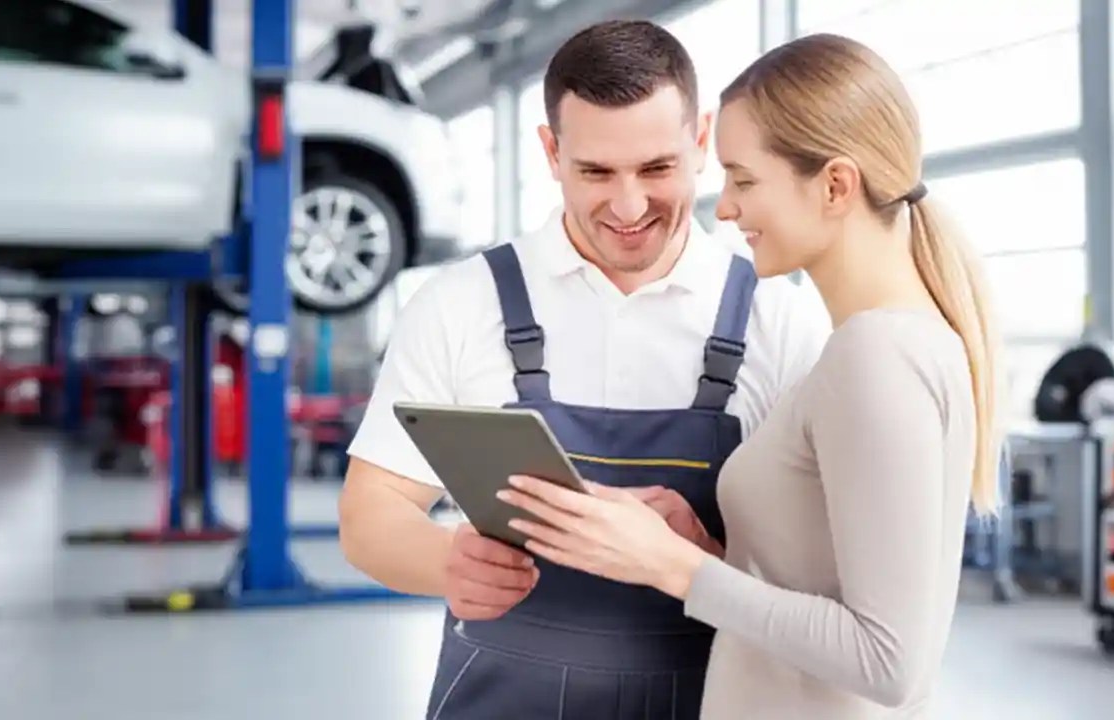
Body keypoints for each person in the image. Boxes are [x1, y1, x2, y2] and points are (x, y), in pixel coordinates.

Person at [497, 32, 1004, 719]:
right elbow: (823, 594)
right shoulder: (890, 344)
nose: (726, 208)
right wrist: (709, 549)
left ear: (834, 184)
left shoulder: (875, 355)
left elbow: (891, 663)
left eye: (743, 179)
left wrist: (670, 565)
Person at [338, 19, 832, 720]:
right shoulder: (459, 304)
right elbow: (370, 515)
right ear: (550, 150)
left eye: (656, 169)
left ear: (701, 142)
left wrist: (704, 555)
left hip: (708, 698)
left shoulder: (779, 325)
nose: (629, 207)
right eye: (596, 172)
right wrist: (445, 561)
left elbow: (825, 590)